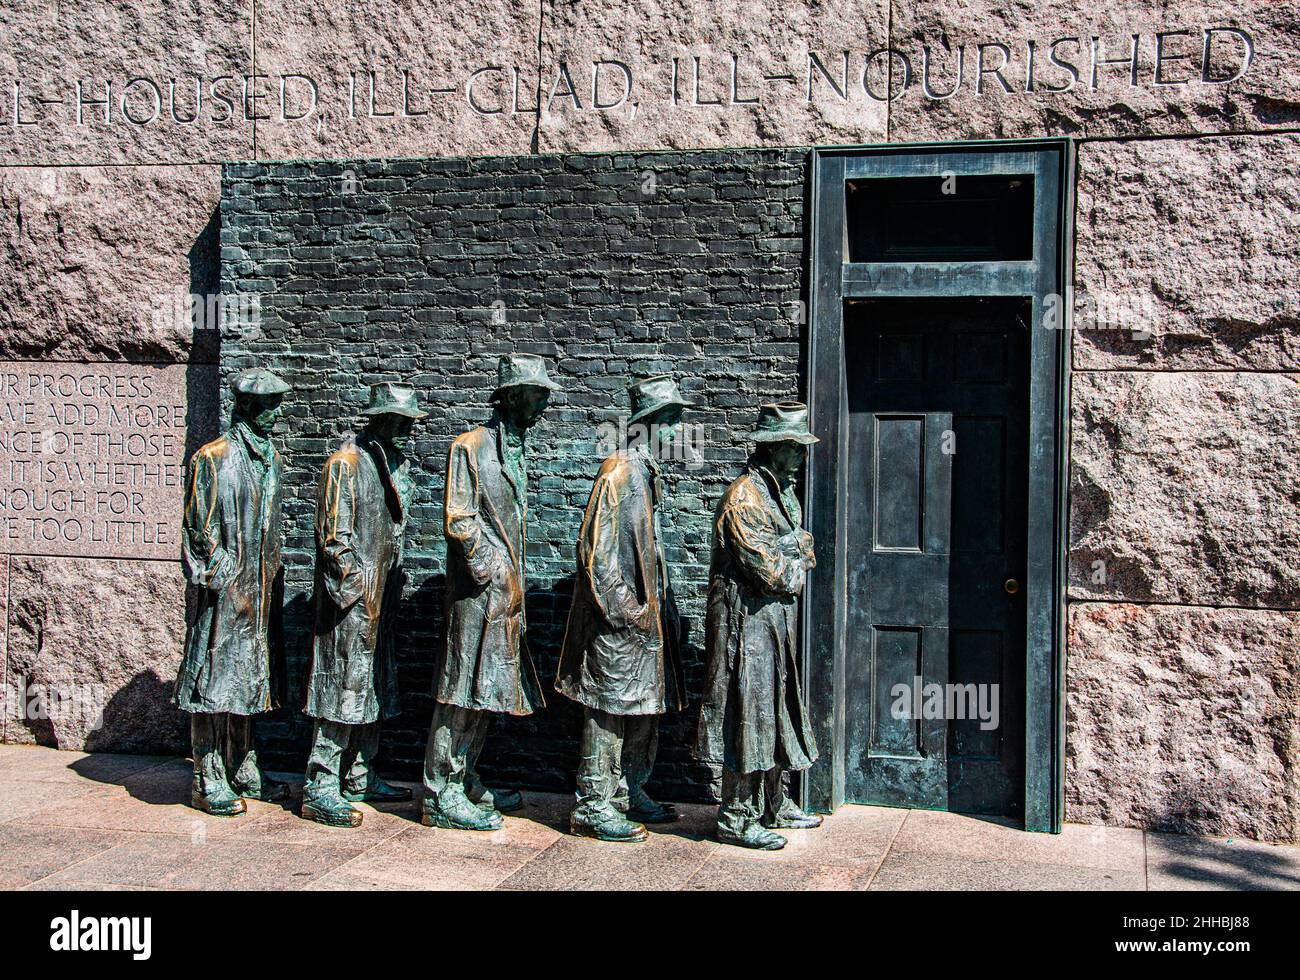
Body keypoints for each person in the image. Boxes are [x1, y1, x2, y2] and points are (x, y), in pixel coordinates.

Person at [422, 354, 560, 831]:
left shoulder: (518, 448)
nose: (543, 403)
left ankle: (465, 775)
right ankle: (441, 791)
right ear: (510, 395)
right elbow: (458, 519)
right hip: (477, 594)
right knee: (461, 689)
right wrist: (494, 568)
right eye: (537, 393)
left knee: (489, 691)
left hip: (504, 597)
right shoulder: (470, 447)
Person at [555, 375, 690, 842]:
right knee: (608, 711)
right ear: (649, 425)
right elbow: (596, 552)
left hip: (641, 623)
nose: (678, 432)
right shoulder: (619, 471)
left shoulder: (644, 471)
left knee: (642, 709)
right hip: (619, 625)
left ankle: (629, 791)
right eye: (671, 421)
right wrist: (627, 612)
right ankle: (593, 804)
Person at [695, 402, 822, 850]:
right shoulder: (744, 499)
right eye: (794, 448)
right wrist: (794, 557)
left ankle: (775, 802)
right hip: (744, 623)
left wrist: (794, 550)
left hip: (771, 620)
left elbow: (803, 546)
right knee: (747, 713)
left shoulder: (783, 493)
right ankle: (736, 814)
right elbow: (773, 571)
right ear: (774, 449)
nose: (801, 458)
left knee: (777, 708)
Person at [301, 381, 425, 827]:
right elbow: (335, 541)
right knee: (341, 689)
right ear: (381, 420)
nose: (409, 430)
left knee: (373, 686)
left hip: (380, 598)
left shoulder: (392, 464)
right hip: (352, 604)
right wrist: (355, 594)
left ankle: (359, 773)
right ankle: (321, 784)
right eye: (402, 422)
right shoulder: (345, 464)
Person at [175, 367, 292, 816]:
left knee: (251, 677)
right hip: (226, 592)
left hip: (259, 589)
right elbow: (198, 530)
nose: (275, 415)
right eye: (266, 406)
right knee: (212, 681)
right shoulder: (213, 456)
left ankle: (243, 767)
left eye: (277, 405)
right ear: (243, 407)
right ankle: (207, 776)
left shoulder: (272, 457)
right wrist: (222, 574)